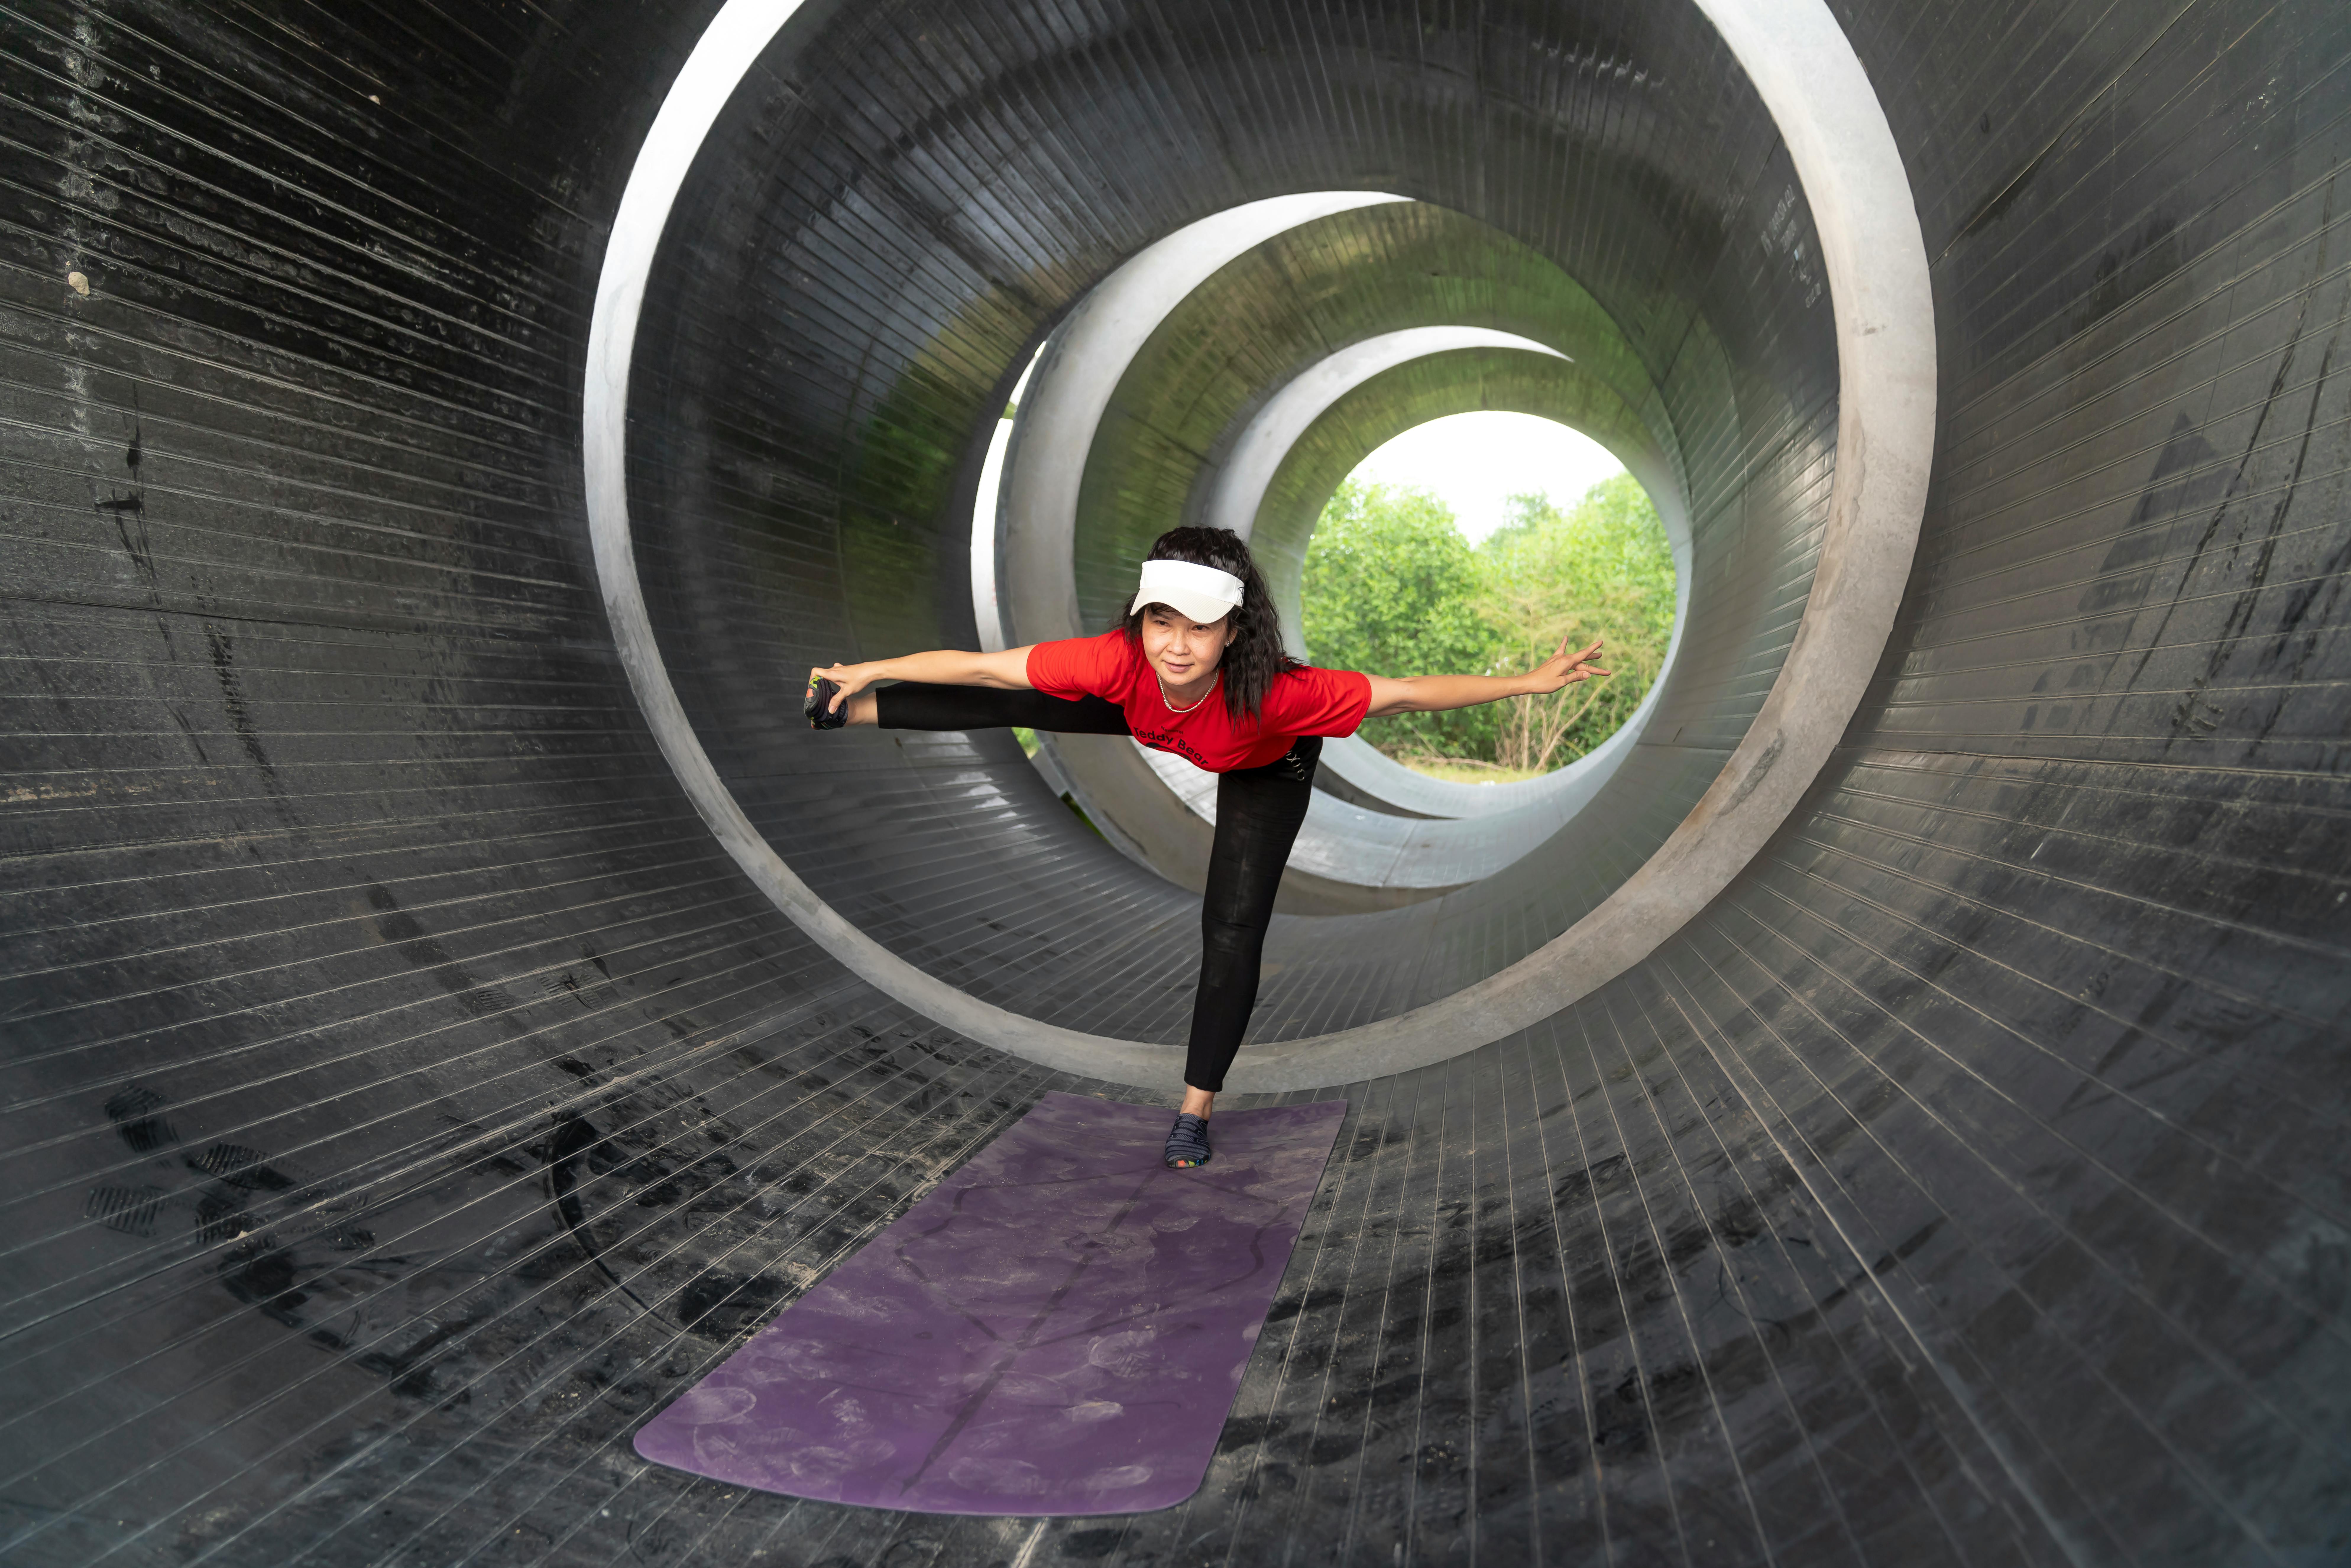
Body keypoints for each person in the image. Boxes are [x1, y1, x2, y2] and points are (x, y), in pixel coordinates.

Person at [804, 526, 1607, 1169]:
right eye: (1162, 622)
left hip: (1264, 760)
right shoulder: (1121, 661)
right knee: (1025, 699)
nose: (1178, 645)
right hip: (1150, 715)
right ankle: (846, 713)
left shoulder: (1288, 696)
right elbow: (983, 671)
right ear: (1141, 619)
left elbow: (1404, 694)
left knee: (1232, 927)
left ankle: (1195, 1111)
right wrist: (869, 671)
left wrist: (1526, 684)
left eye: (1199, 628)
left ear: (1233, 631)